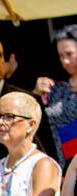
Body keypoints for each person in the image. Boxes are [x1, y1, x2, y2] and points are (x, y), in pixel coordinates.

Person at [36, 26, 77, 169]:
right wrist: (35, 94)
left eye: (69, 54)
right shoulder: (57, 87)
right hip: (64, 162)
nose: (65, 61)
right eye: (61, 56)